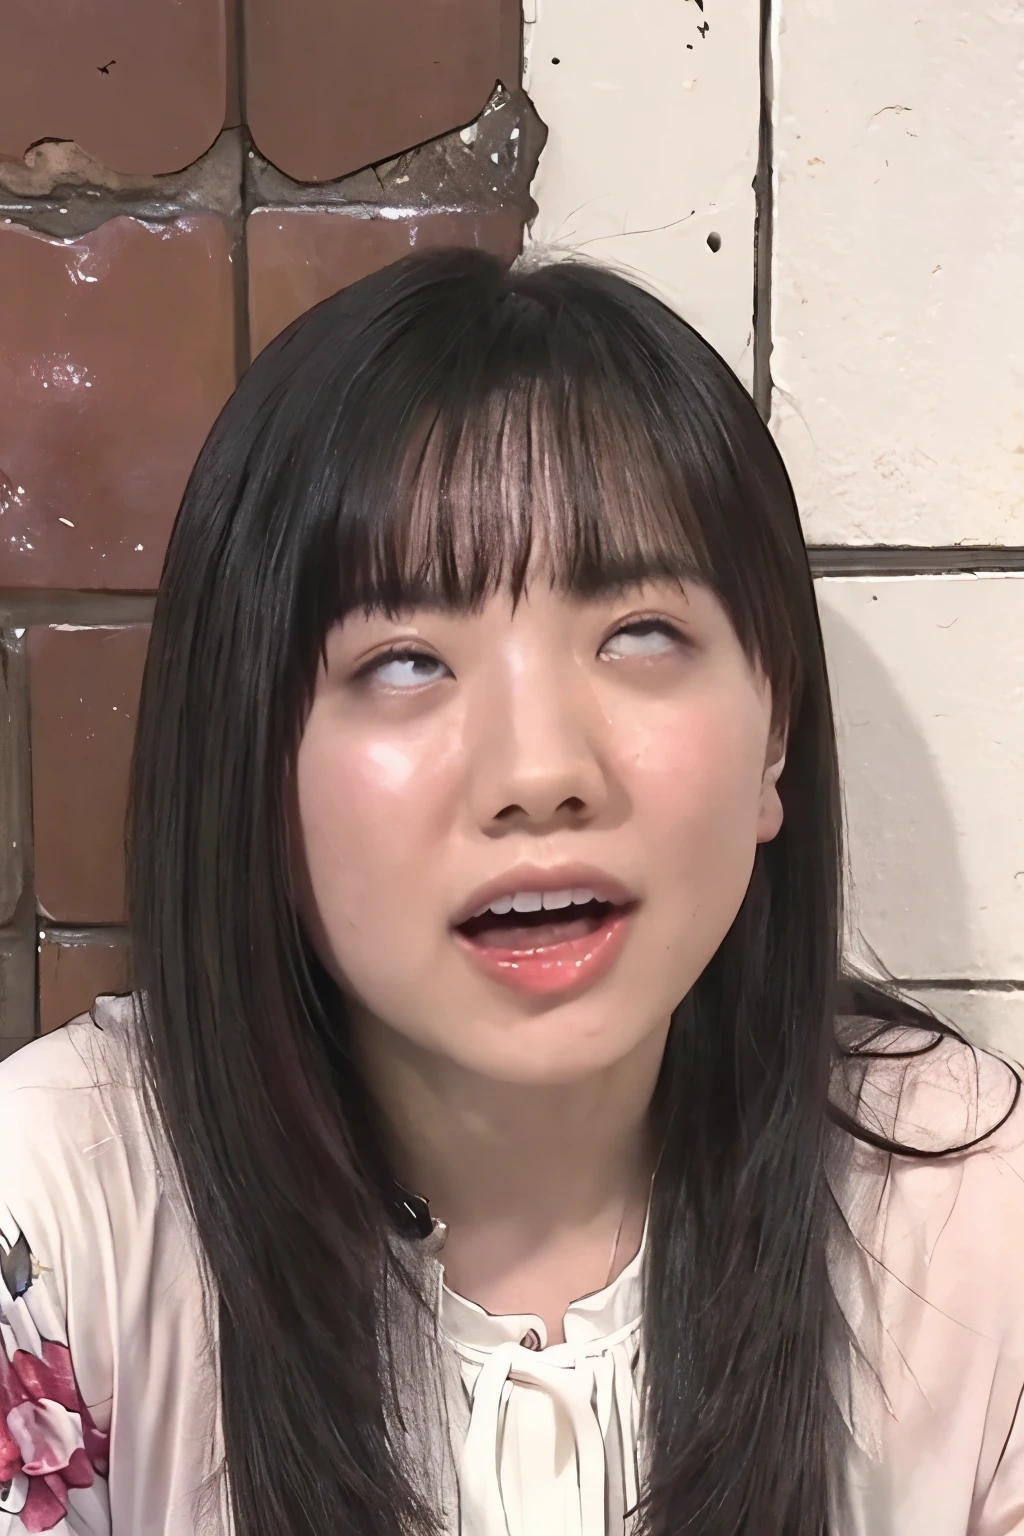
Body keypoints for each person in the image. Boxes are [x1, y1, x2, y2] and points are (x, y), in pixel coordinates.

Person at [0, 249, 1021, 1536]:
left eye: (639, 633)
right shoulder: (52, 1216)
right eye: (405, 660)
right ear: (247, 759)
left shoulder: (970, 1212)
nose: (540, 776)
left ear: (774, 739)